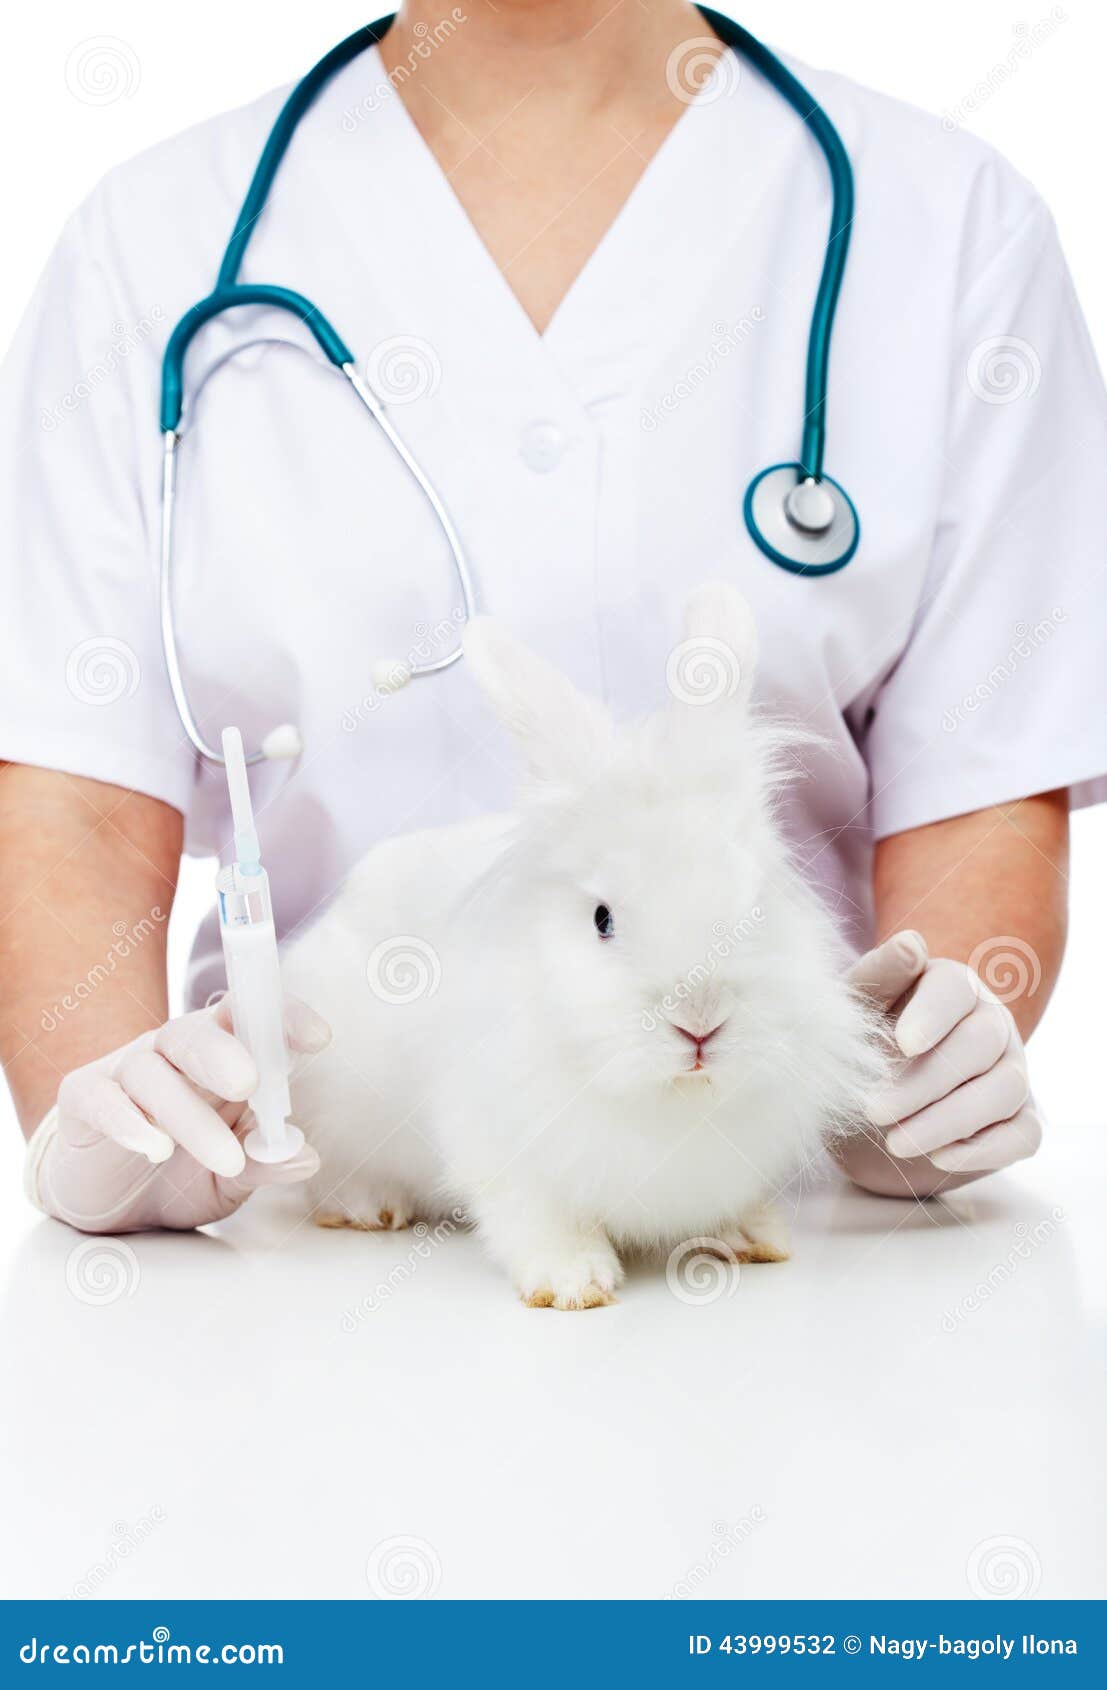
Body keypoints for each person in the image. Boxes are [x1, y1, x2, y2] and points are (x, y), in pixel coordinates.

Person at [1, 1, 1104, 1234]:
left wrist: (912, 1087)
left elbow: (984, 790)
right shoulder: (145, 245)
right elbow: (77, 801)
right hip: (305, 1204)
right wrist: (105, 1138)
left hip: (777, 1219)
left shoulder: (954, 228)